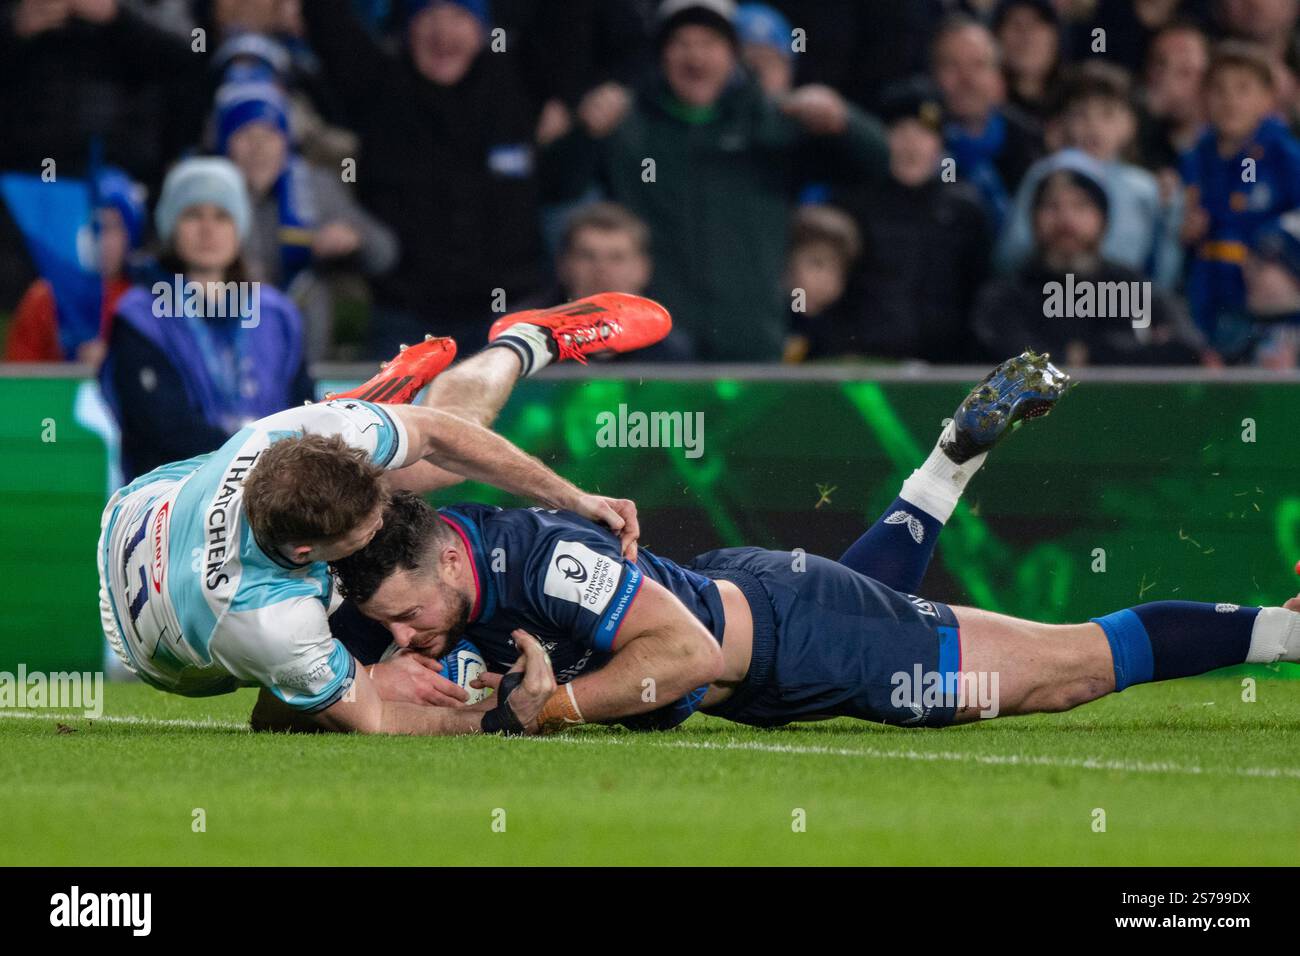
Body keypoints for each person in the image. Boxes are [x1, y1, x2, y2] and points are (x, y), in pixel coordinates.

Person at [325, 351, 1300, 737]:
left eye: (410, 615)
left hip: (796, 639)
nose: (409, 636)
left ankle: (1284, 637)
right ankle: (945, 468)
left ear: (447, 559)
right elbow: (324, 687)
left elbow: (687, 659)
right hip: (769, 611)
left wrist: (557, 706)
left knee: (1068, 668)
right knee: (865, 605)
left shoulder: (532, 556)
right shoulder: (429, 566)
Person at [96, 293, 673, 736]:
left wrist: (571, 498)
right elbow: (375, 720)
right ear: (306, 556)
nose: (390, 516)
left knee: (434, 460)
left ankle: (524, 340)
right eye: (367, 527)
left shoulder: (287, 436)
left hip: (146, 502)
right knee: (353, 619)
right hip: (159, 648)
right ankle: (375, 403)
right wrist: (505, 719)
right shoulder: (273, 622)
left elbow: (442, 435)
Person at [543, 0, 889, 361]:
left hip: (751, 344)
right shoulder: (630, 124)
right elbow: (556, 187)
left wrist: (845, 123)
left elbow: (875, 166)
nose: (696, 57)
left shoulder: (770, 123)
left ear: (732, 54)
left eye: (709, 43)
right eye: (681, 43)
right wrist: (585, 132)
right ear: (661, 55)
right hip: (655, 350)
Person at [298, 0, 554, 356]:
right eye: (429, 16)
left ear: (482, 29)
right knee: (389, 415)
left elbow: (565, 21)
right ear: (407, 29)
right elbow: (326, 19)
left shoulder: (519, 83)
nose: (442, 34)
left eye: (458, 17)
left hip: (505, 316)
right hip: (404, 317)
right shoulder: (377, 85)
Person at [97, 156, 311, 481]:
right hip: (172, 500)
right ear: (171, 226)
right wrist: (262, 465)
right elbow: (161, 426)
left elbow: (304, 412)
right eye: (193, 214)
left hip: (271, 502)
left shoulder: (277, 314)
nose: (208, 229)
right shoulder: (140, 313)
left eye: (222, 216)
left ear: (240, 229)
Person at [215, 71, 399, 360]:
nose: (258, 147)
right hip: (223, 350)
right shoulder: (206, 191)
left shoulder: (316, 187)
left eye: (269, 135)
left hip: (307, 352)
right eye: (245, 135)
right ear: (225, 143)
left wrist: (355, 239)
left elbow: (386, 254)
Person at [973, 161, 1203, 365]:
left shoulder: (1132, 288)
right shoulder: (1007, 294)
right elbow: (1009, 360)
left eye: (1080, 206)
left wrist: (1091, 355)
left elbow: (1187, 350)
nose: (1066, 220)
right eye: (1052, 207)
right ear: (1033, 219)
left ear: (1103, 219)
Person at [833, 78, 991, 364]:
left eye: (923, 132)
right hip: (867, 366)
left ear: (939, 143)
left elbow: (979, 292)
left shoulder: (965, 210)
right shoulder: (851, 207)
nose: (911, 144)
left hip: (945, 371)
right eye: (900, 130)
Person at [997, 61, 1183, 287]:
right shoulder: (1044, 174)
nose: (1093, 126)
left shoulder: (1145, 188)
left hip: (1119, 304)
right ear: (1064, 122)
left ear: (1131, 125)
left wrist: (1171, 213)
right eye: (1081, 114)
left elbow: (1162, 273)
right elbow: (1009, 257)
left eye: (1107, 115)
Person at [1180, 42, 1300, 358]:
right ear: (1204, 98)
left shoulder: (1284, 156)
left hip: (1272, 311)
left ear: (1268, 98)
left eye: (1243, 89)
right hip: (1206, 297)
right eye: (1219, 90)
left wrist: (1275, 246)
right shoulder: (1194, 158)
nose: (1231, 100)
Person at [3, 166, 143, 364]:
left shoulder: (147, 297)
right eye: (91, 226)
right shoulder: (44, 297)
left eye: (112, 227)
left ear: (131, 236)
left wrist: (114, 363)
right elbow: (21, 378)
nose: (100, 239)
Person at [932, 13, 1045, 233]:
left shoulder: (1027, 140)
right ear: (933, 75)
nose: (967, 79)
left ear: (998, 77)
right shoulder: (918, 139)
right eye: (952, 66)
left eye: (979, 65)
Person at [782, 205, 861, 362]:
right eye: (816, 263)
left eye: (837, 270)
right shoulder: (771, 322)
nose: (825, 279)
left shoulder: (836, 334)